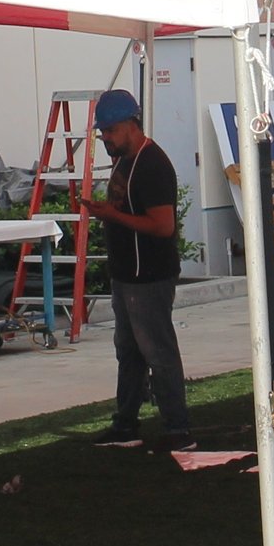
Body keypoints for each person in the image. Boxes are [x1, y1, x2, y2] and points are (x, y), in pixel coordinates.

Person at [87, 89, 189, 449]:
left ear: (132, 124)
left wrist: (112, 216)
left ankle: (178, 429)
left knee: (158, 352)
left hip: (148, 277)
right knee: (129, 352)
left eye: (111, 131)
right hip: (127, 274)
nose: (106, 138)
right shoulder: (124, 161)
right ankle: (126, 424)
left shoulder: (151, 165)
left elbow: (163, 226)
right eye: (103, 132)